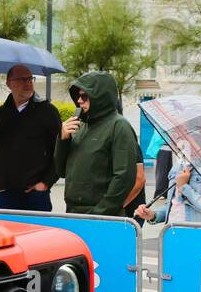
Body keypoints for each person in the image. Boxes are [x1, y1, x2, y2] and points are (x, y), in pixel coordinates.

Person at [0, 65, 60, 212]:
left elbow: (58, 151)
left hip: (36, 194)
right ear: (9, 84)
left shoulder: (47, 111)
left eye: (30, 78)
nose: (28, 83)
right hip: (5, 195)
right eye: (22, 79)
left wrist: (46, 182)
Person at [53, 72, 139, 217]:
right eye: (78, 96)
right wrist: (63, 139)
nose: (79, 101)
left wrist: (100, 212)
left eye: (85, 96)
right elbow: (61, 171)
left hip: (101, 216)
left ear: (100, 97)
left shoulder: (119, 126)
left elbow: (124, 177)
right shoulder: (81, 126)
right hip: (74, 212)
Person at [136, 163, 201, 224]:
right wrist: (153, 215)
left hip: (197, 236)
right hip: (172, 233)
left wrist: (184, 187)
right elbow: (172, 205)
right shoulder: (177, 166)